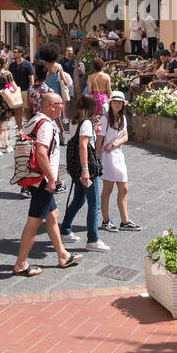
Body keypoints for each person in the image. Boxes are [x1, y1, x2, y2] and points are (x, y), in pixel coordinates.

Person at [12, 92, 83, 276]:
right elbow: (42, 153)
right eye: (60, 104)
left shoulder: (35, 120)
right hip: (42, 181)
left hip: (35, 177)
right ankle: (21, 264)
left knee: (53, 215)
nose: (62, 106)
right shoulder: (46, 125)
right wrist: (52, 179)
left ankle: (63, 255)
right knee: (34, 223)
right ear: (52, 106)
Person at [60, 92, 109, 252]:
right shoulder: (86, 123)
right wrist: (85, 170)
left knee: (78, 200)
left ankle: (65, 230)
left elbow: (81, 139)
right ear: (92, 107)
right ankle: (93, 240)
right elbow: (83, 146)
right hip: (87, 168)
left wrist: (94, 130)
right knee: (94, 205)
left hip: (77, 168)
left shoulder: (75, 121)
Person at [98, 91, 138, 232]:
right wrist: (98, 158)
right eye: (114, 101)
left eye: (119, 102)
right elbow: (99, 140)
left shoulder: (122, 118)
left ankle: (124, 221)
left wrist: (114, 144)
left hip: (118, 155)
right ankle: (106, 220)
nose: (117, 104)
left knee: (124, 188)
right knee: (108, 189)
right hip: (107, 157)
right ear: (110, 103)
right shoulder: (104, 119)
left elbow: (125, 137)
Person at [9, 47, 34, 125]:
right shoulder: (12, 65)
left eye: (15, 52)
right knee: (17, 110)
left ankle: (30, 125)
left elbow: (31, 79)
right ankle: (19, 126)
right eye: (14, 52)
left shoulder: (28, 64)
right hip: (16, 91)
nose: (14, 54)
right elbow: (10, 79)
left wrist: (31, 91)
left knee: (28, 110)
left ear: (21, 53)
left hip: (25, 90)